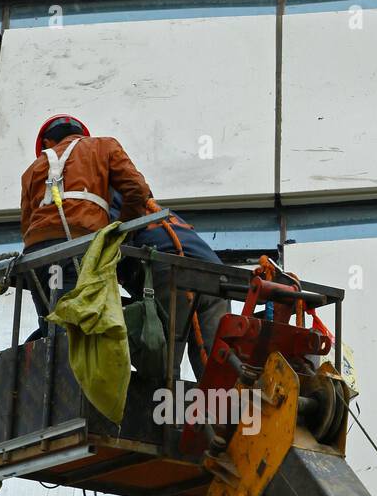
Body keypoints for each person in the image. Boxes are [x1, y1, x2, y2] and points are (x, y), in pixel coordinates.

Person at [18, 113, 227, 376]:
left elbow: (28, 227)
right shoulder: (108, 160)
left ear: (47, 144)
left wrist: (120, 237)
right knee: (216, 375)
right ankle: (223, 403)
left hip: (167, 270)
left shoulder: (83, 191)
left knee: (159, 366)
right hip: (214, 274)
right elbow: (138, 191)